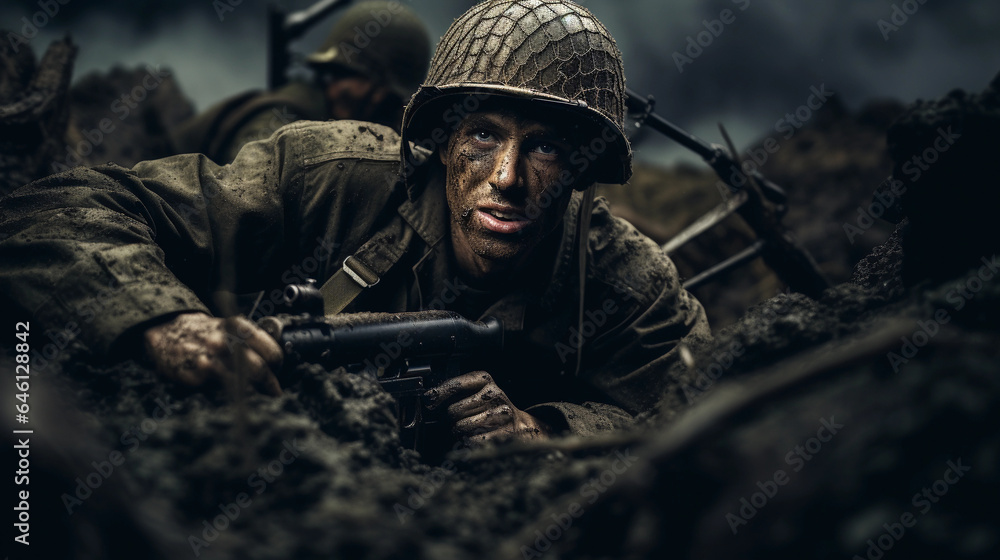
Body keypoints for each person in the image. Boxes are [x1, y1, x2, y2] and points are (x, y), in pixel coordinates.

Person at [0, 0, 710, 447]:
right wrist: (165, 323)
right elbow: (49, 212)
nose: (509, 178)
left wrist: (543, 428)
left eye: (547, 147)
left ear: (584, 170)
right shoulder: (330, 177)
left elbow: (700, 403)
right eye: (484, 136)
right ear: (441, 140)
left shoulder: (625, 278)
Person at [169, 0, 431, 164]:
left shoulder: (332, 120)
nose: (337, 87)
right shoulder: (283, 120)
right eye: (334, 74)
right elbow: (245, 195)